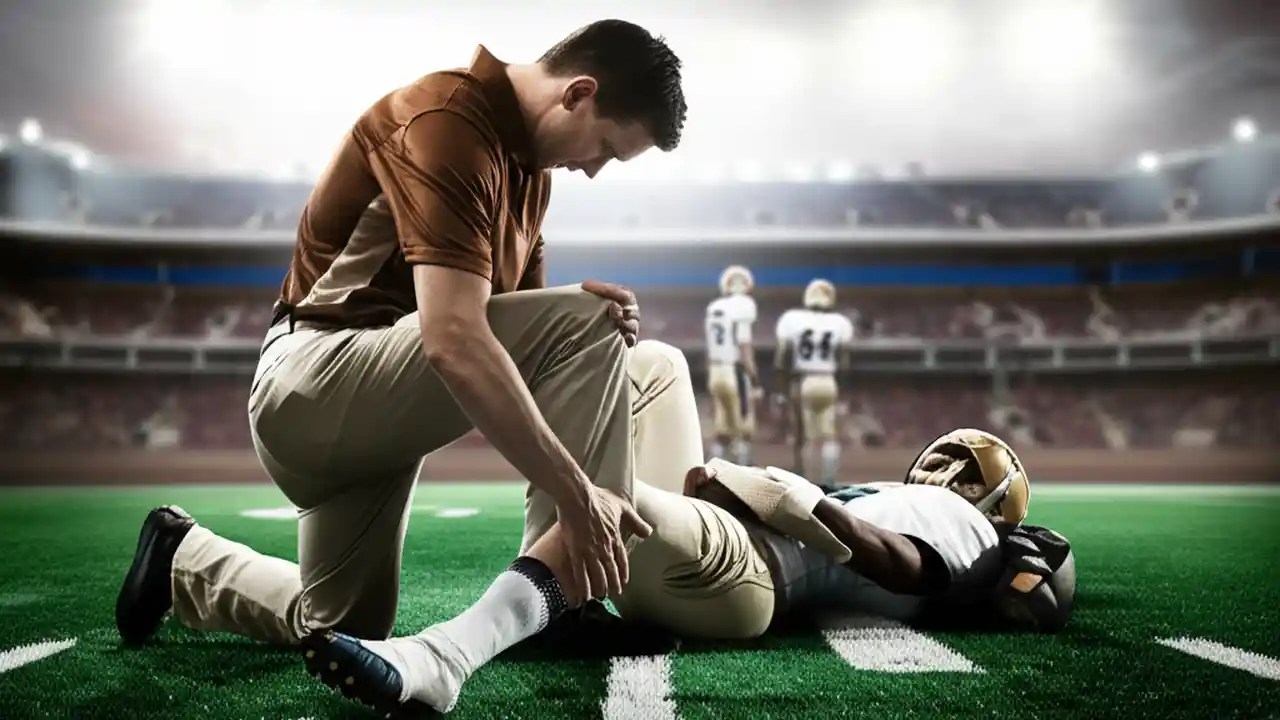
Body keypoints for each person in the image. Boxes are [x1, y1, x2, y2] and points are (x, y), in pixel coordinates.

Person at [114, 19, 688, 650]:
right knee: (588, 320)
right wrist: (579, 496)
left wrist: (577, 324)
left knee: (344, 626)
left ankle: (181, 560)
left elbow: (524, 342)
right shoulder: (445, 121)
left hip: (367, 417)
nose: (595, 169)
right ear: (577, 93)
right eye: (605, 146)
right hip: (312, 380)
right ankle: (562, 599)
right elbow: (455, 340)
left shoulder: (530, 176)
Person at [300, 363, 1064, 718]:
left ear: (989, 502)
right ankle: (566, 597)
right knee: (655, 367)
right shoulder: (900, 496)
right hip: (733, 534)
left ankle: (444, 659)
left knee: (598, 495)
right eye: (946, 458)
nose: (942, 468)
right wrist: (764, 492)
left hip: (752, 576)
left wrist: (798, 503)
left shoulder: (965, 526)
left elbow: (908, 568)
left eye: (966, 471)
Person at [772, 278, 855, 483]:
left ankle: (805, 478)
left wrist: (782, 382)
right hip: (828, 380)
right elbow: (844, 361)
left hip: (805, 379)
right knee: (828, 435)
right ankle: (829, 479)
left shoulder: (793, 319)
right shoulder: (840, 322)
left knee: (806, 436)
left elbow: (782, 357)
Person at [704, 265, 759, 464]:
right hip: (733, 370)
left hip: (715, 370)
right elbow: (744, 345)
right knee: (743, 429)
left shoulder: (714, 307)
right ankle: (744, 474)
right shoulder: (744, 305)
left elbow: (710, 349)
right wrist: (753, 375)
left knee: (722, 428)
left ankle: (713, 471)